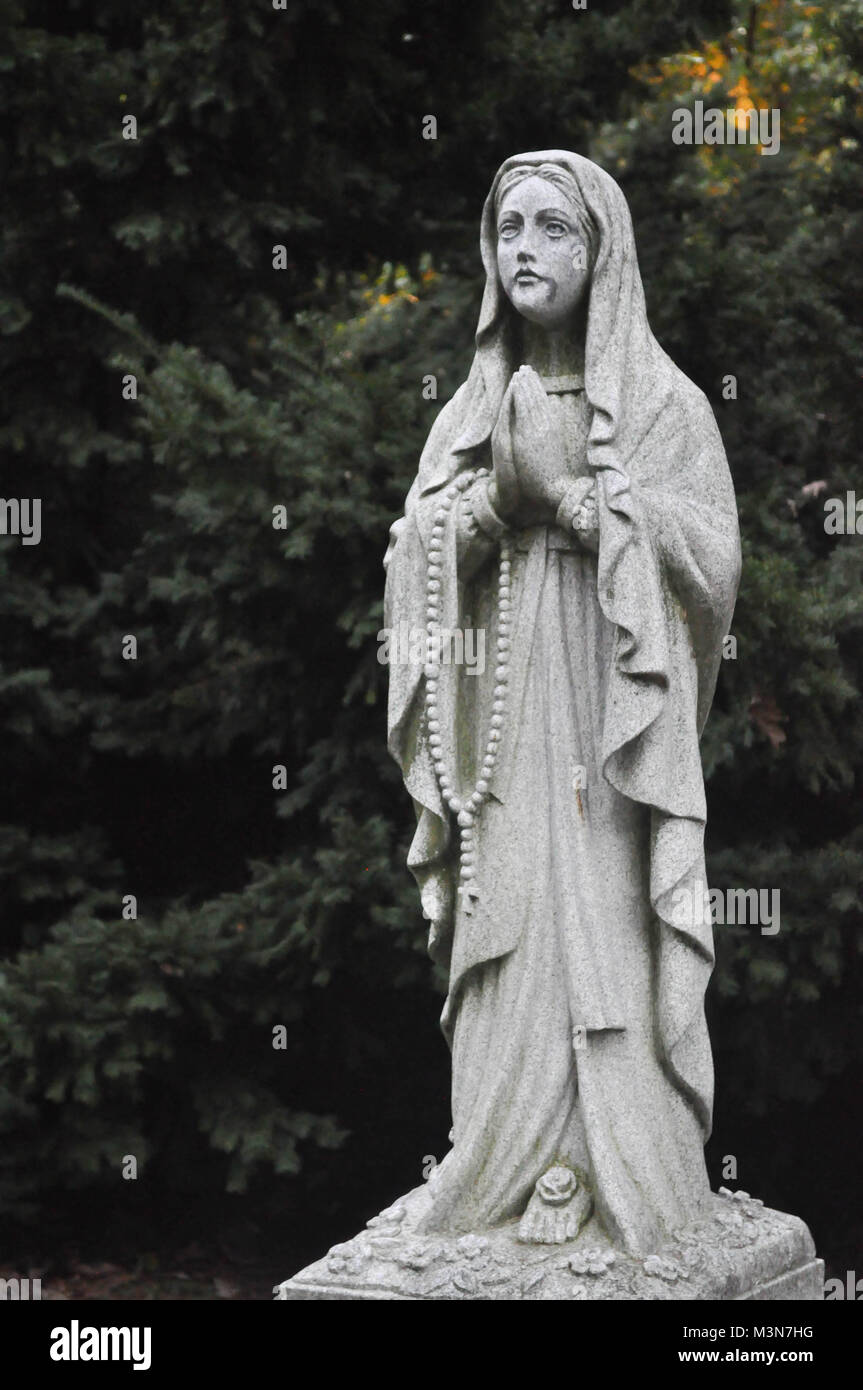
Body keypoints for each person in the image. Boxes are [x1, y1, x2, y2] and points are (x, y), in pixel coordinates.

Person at [383, 150, 741, 1256]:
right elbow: (410, 560)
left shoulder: (664, 404)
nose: (524, 249)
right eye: (506, 230)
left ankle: (632, 1178)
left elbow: (711, 565)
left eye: (551, 229)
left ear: (600, 253)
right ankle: (494, 1172)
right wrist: (495, 500)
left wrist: (587, 507)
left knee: (602, 907)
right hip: (499, 711)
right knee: (508, 910)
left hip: (612, 714)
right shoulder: (469, 410)